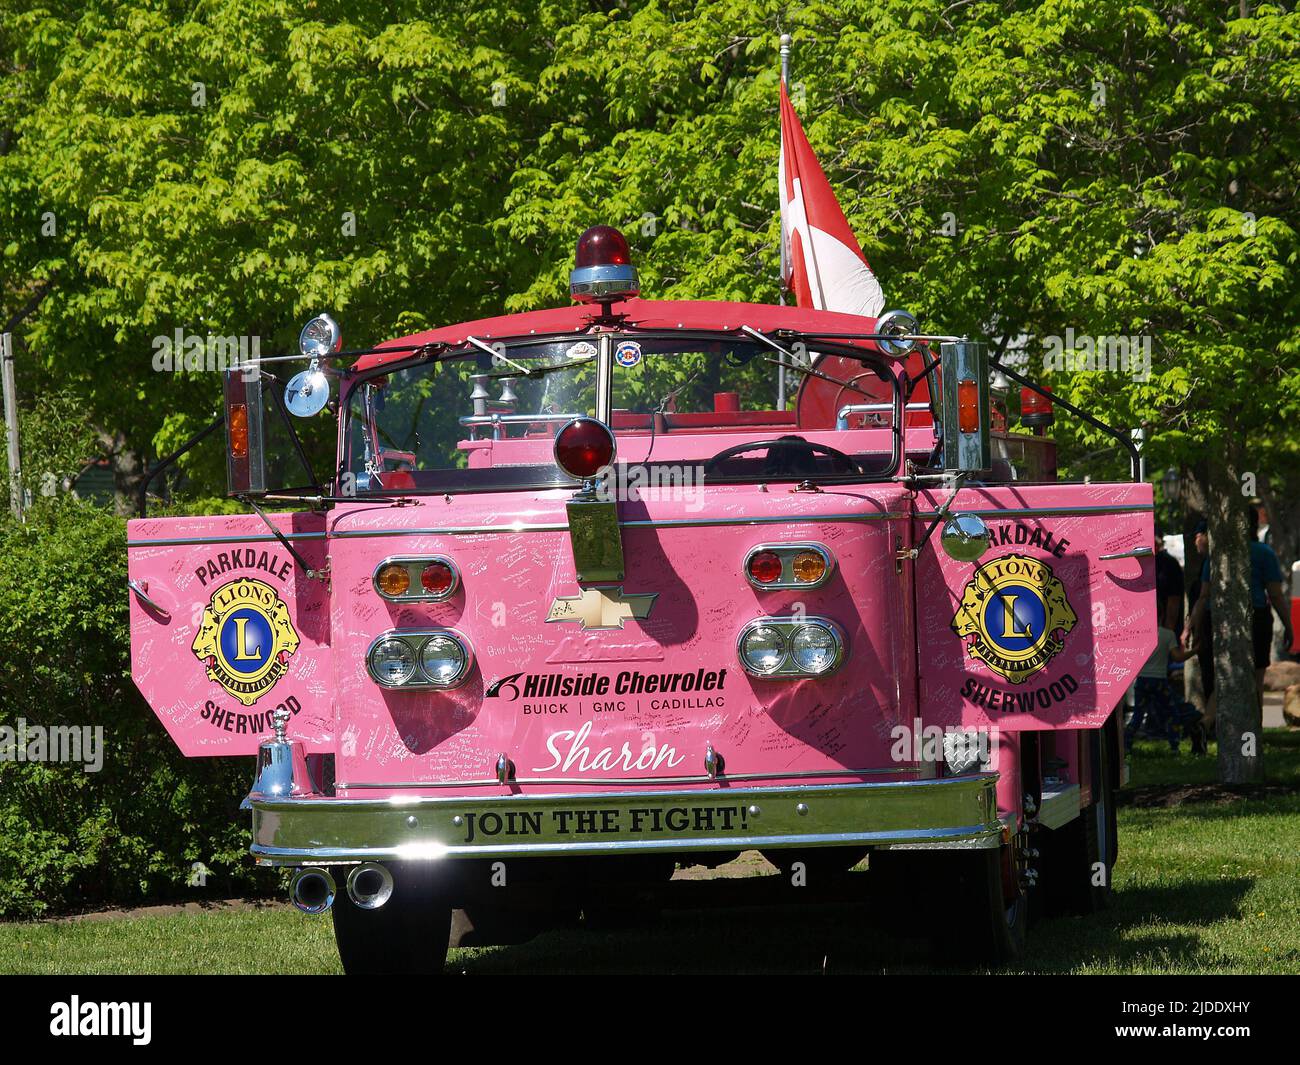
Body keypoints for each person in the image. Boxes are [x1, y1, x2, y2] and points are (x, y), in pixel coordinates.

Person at [1183, 507, 1293, 714]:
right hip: (1256, 616)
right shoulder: (1263, 553)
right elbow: (1276, 595)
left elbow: (1204, 595)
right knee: (1255, 679)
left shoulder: (1218, 553)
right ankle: (1253, 733)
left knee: (1225, 677)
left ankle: (1208, 723)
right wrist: (1288, 625)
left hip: (1218, 618)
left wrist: (1191, 627)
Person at [1128, 613, 1204, 754]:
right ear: (1161, 616)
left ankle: (1126, 745)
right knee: (1172, 714)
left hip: (1142, 680)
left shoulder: (1138, 633)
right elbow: (1177, 657)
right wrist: (1194, 651)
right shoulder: (1167, 634)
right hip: (1159, 681)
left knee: (1137, 715)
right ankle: (1174, 746)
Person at [1154, 525, 1185, 632]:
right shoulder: (1147, 563)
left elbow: (1174, 601)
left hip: (1165, 631)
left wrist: (1167, 633)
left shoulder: (1169, 564)